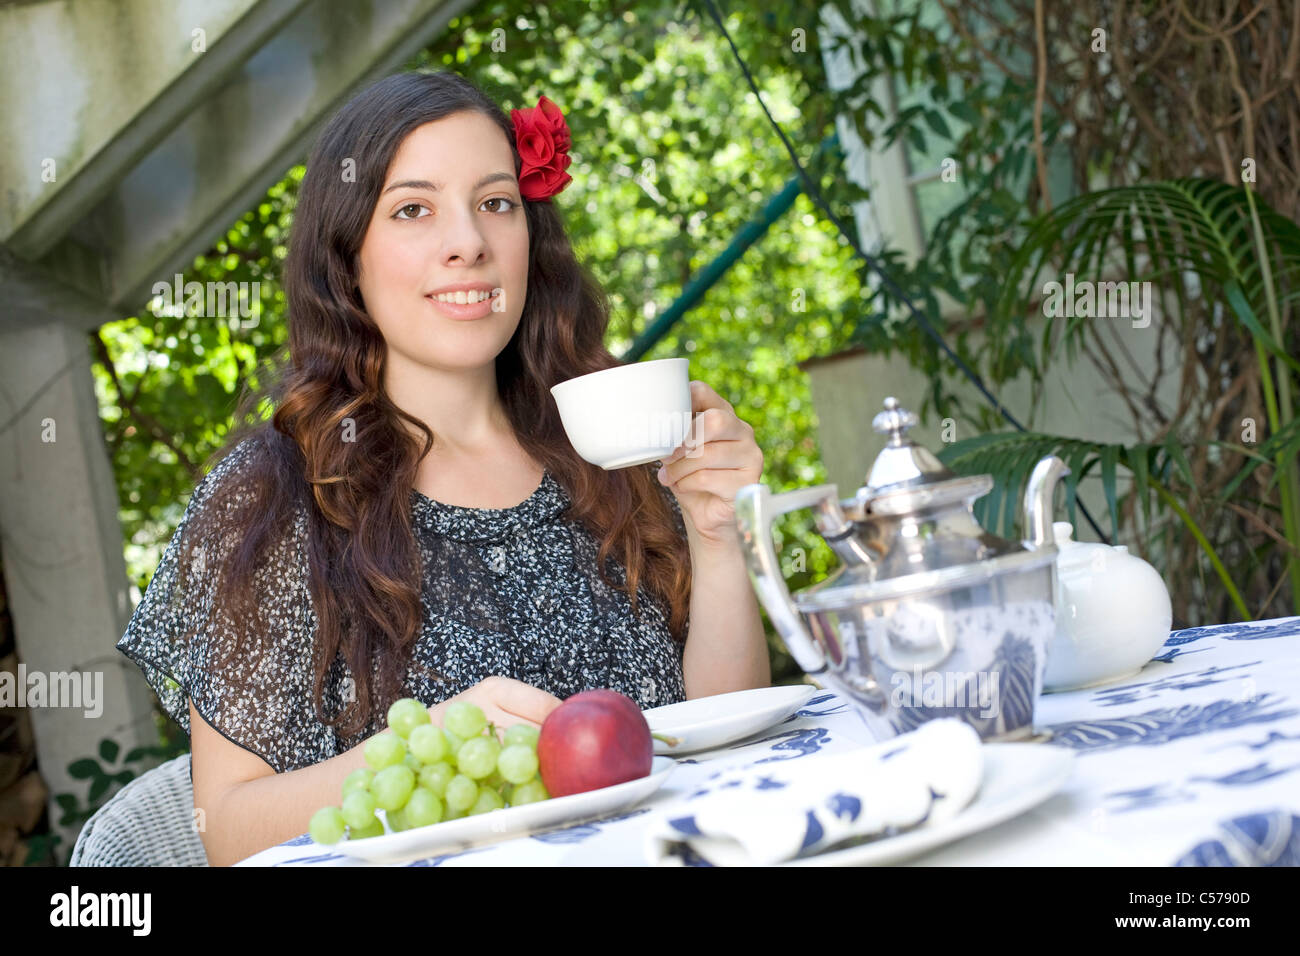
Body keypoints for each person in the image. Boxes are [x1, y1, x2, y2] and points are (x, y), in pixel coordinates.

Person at [116, 70, 769, 867]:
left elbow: (730, 748)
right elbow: (227, 829)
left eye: (496, 202)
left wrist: (716, 534)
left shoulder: (609, 451)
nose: (469, 241)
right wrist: (427, 746)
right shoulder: (276, 492)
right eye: (414, 209)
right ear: (346, 255)